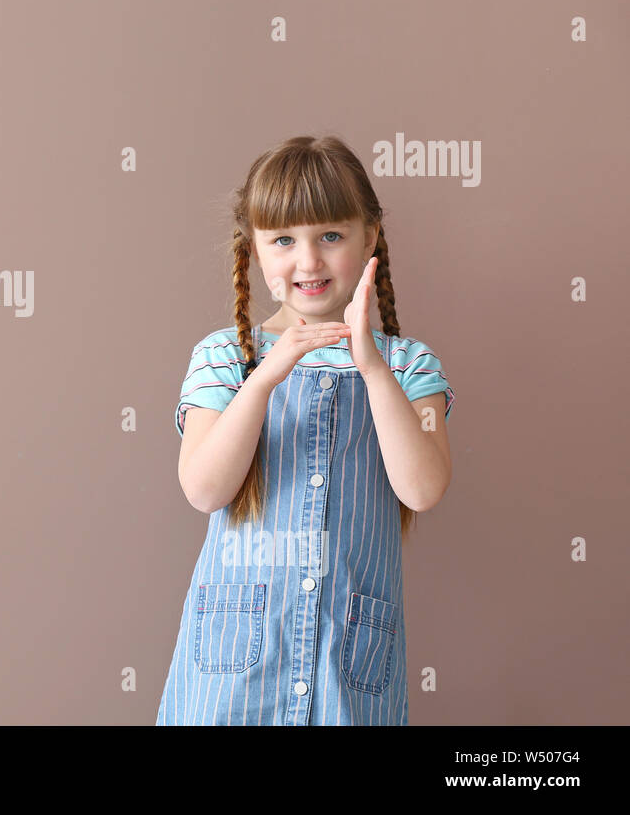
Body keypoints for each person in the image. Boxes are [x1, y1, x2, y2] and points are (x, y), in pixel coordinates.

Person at [156, 135, 456, 725]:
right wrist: (264, 380)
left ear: (369, 236)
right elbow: (204, 489)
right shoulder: (224, 358)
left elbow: (422, 489)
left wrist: (371, 368)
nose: (309, 261)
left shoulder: (408, 367)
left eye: (331, 237)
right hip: (235, 669)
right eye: (285, 241)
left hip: (349, 665)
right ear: (255, 250)